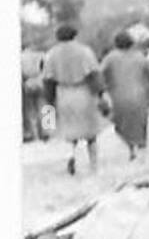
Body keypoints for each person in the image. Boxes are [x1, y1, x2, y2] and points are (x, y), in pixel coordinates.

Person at [41, 24, 105, 175]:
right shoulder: (84, 51)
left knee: (69, 131)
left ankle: (71, 156)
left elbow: (48, 81)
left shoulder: (51, 54)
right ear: (74, 35)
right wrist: (100, 94)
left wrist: (49, 105)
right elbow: (94, 75)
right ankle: (93, 165)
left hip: (63, 93)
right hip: (83, 92)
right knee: (90, 133)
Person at [100, 30, 149, 160]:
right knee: (140, 123)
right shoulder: (140, 57)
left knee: (121, 124)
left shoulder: (110, 58)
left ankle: (131, 147)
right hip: (139, 95)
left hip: (118, 97)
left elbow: (99, 74)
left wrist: (102, 90)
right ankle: (141, 149)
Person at [21, 43, 47, 142]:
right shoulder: (42, 54)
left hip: (28, 83)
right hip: (41, 82)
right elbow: (46, 68)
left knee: (30, 110)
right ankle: (47, 132)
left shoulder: (21, 57)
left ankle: (34, 134)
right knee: (45, 107)